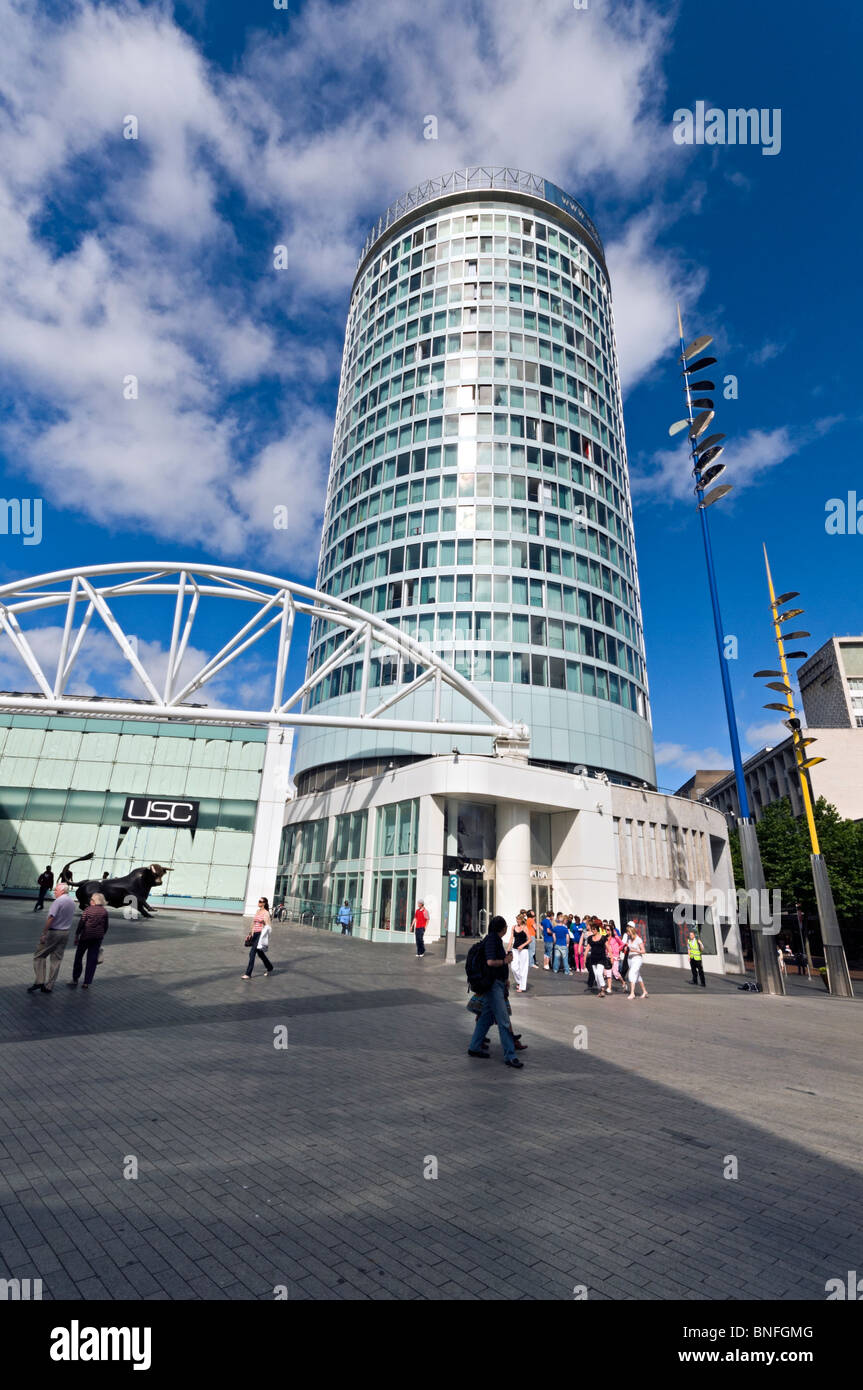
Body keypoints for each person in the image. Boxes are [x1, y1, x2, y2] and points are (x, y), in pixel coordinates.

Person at [467, 916, 523, 1068]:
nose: (506, 929)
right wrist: (506, 961)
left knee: (486, 1017)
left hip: (495, 983)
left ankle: (474, 1047)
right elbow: (490, 962)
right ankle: (510, 1055)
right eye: (505, 927)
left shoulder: (492, 939)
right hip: (492, 986)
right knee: (503, 1020)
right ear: (501, 928)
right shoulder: (492, 940)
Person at [28, 881, 76, 994]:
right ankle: (49, 986)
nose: (54, 891)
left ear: (62, 891)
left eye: (56, 890)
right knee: (56, 959)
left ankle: (39, 981)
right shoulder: (72, 902)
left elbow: (51, 918)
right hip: (65, 933)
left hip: (54, 933)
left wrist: (44, 933)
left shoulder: (58, 901)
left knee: (39, 955)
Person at [68, 892, 109, 989]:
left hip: (85, 937)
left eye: (91, 899)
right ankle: (86, 982)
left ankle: (75, 979)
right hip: (97, 939)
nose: (90, 901)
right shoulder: (104, 912)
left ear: (94, 901)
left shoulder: (87, 910)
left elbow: (81, 923)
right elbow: (106, 926)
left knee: (78, 957)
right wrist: (101, 935)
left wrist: (77, 935)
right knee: (92, 960)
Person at [242, 897, 274, 978]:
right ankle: (269, 967)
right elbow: (254, 923)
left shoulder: (266, 913)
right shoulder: (258, 911)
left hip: (260, 934)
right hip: (255, 933)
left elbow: (268, 926)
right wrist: (250, 933)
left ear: (264, 903)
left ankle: (248, 973)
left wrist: (264, 935)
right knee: (260, 953)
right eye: (258, 901)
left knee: (252, 953)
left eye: (260, 901)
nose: (259, 902)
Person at [586, 921, 611, 997]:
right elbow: (587, 948)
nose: (592, 931)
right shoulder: (590, 938)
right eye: (592, 929)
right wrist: (584, 958)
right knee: (596, 976)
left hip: (601, 958)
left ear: (597, 930)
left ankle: (603, 989)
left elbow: (608, 948)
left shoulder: (603, 938)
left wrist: (612, 957)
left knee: (599, 973)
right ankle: (600, 990)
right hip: (593, 959)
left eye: (594, 929)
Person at [625, 922, 648, 1000]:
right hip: (630, 959)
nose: (627, 933)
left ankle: (632, 993)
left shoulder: (638, 939)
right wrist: (626, 949)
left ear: (631, 931)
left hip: (637, 959)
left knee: (631, 974)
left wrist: (634, 950)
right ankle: (644, 991)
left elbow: (644, 951)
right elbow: (628, 948)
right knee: (637, 976)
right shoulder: (629, 939)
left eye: (628, 932)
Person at [509, 917, 530, 992]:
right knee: (513, 967)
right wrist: (508, 949)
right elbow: (511, 938)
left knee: (523, 968)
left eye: (519, 919)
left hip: (523, 950)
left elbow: (529, 939)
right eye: (516, 919)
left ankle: (522, 986)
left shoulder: (525, 928)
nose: (517, 921)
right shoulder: (513, 927)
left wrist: (522, 945)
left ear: (522, 920)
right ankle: (519, 982)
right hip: (515, 949)